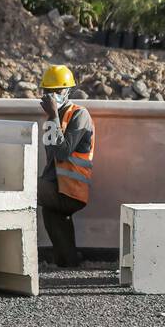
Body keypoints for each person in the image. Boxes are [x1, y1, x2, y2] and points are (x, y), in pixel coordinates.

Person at [37, 65, 95, 268]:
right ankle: (68, 262)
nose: (52, 96)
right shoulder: (53, 118)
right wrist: (52, 116)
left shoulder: (80, 114)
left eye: (57, 91)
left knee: (23, 188)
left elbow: (62, 152)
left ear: (68, 91)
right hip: (57, 187)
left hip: (71, 190)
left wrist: (52, 114)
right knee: (51, 215)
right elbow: (51, 156)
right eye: (48, 91)